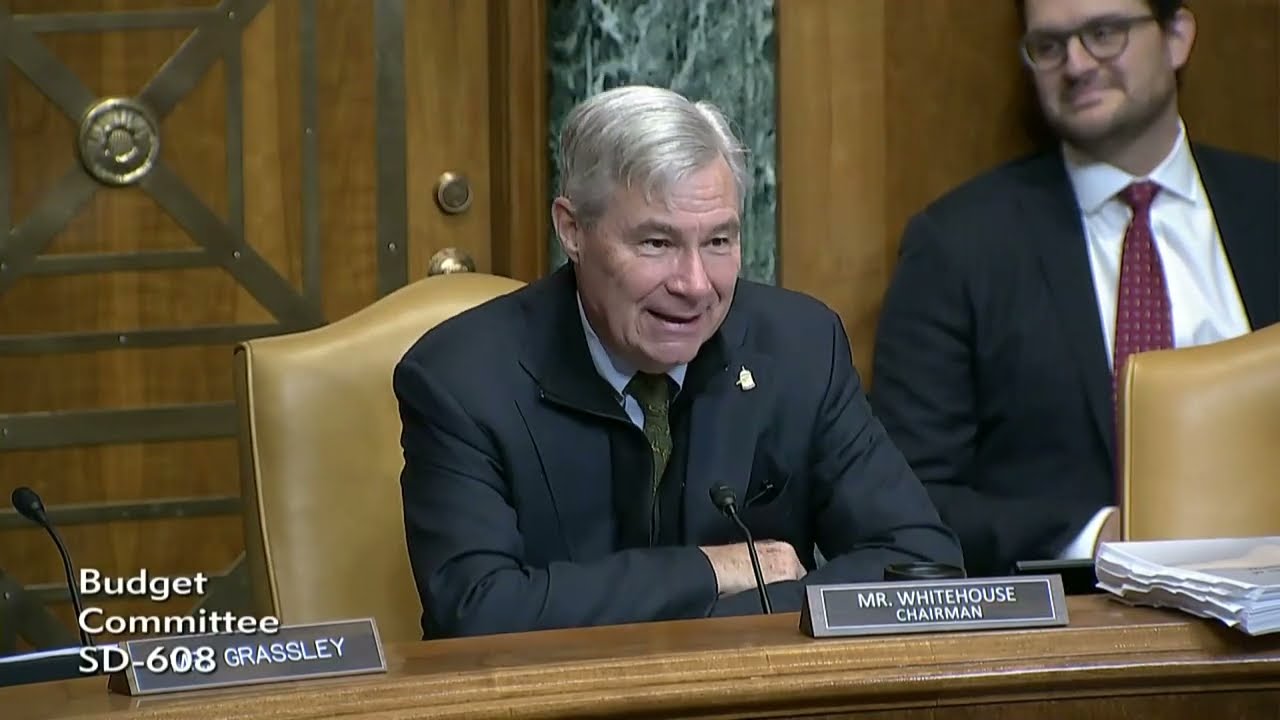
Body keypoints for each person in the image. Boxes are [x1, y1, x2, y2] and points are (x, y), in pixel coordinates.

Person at [395, 85, 962, 638]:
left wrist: (728, 617)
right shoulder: (460, 380)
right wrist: (714, 572)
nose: (694, 286)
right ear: (572, 231)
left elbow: (919, 565)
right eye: (656, 244)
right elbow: (477, 612)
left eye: (718, 242)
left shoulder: (799, 347)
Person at [870, 0, 1279, 577]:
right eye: (1050, 46)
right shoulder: (959, 246)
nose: (1078, 64)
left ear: (1177, 36)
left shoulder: (1270, 210)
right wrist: (1100, 537)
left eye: (1105, 33)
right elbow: (905, 499)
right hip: (1074, 631)